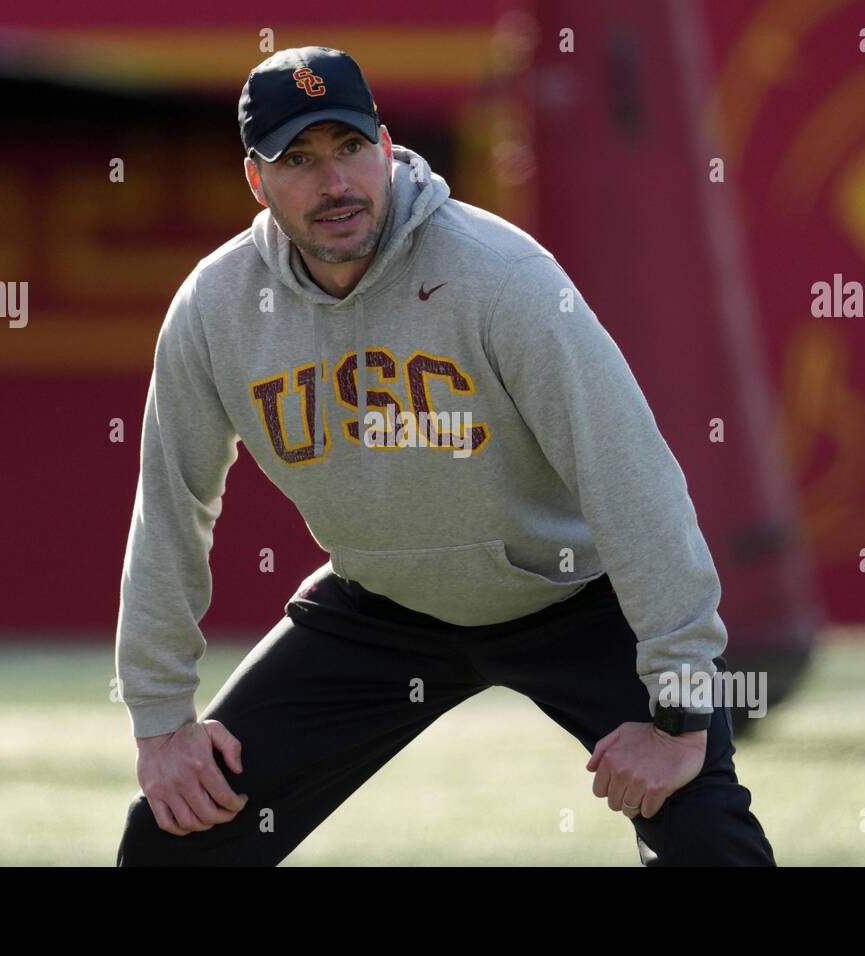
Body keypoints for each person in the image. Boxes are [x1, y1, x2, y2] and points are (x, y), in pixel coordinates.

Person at [114, 45, 775, 866]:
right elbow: (170, 510)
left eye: (351, 148)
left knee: (711, 843)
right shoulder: (217, 309)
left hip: (575, 594)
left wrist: (678, 710)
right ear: (256, 180)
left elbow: (631, 478)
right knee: (172, 836)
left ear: (386, 146)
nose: (336, 184)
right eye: (300, 160)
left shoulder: (501, 277)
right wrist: (163, 723)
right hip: (382, 605)